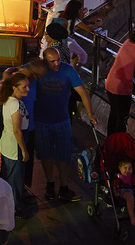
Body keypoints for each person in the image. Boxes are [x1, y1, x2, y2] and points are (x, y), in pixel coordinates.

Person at [35, 47, 99, 202]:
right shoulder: (38, 69)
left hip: (62, 120)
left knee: (64, 156)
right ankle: (50, 184)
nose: (57, 64)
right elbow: (19, 73)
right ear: (45, 60)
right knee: (46, 154)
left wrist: (90, 114)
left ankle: (64, 187)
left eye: (58, 60)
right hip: (42, 120)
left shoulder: (68, 70)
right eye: (52, 61)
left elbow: (83, 92)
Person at [0, 73, 30, 210]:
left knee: (7, 175)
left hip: (6, 144)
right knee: (15, 179)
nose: (28, 89)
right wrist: (24, 150)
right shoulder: (16, 104)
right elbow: (17, 131)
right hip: (15, 147)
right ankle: (14, 207)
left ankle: (7, 204)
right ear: (15, 88)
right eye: (24, 87)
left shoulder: (8, 100)